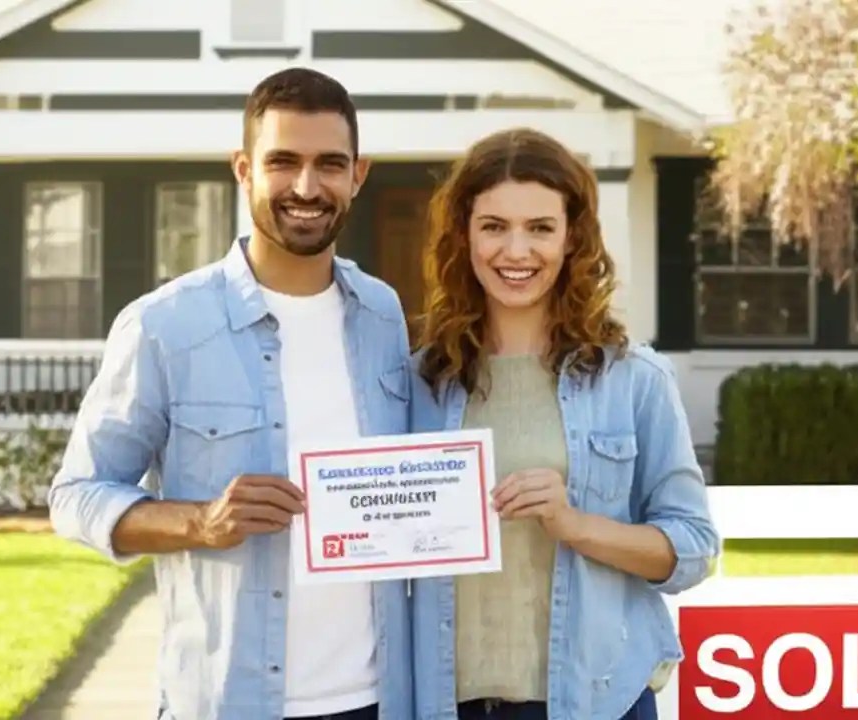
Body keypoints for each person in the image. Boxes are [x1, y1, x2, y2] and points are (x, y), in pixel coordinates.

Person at [47, 67, 415, 720]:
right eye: (283, 162)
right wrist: (201, 521)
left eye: (330, 164)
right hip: (225, 703)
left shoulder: (383, 313)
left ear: (358, 175)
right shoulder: (164, 325)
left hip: (377, 700)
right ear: (243, 170)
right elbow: (76, 495)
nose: (307, 187)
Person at [407, 128, 721, 720]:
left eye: (540, 228)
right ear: (464, 235)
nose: (516, 251)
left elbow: (692, 550)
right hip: (447, 703)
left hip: (595, 702)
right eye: (494, 226)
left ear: (572, 237)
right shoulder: (416, 382)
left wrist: (573, 525)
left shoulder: (634, 379)